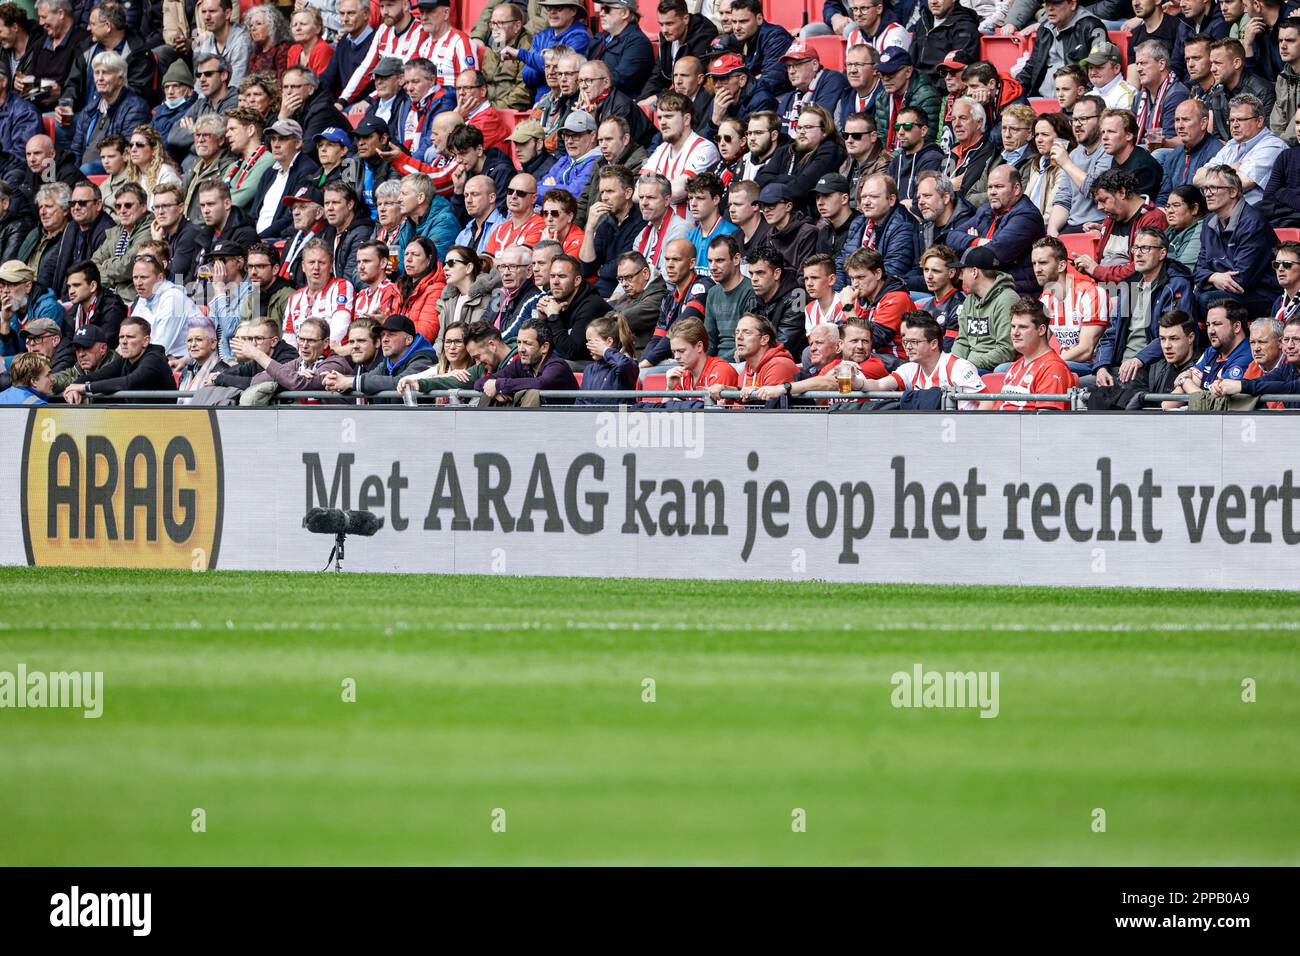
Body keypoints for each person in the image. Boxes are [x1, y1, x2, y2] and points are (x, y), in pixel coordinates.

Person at [1092, 227, 1197, 386]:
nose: (1138, 253)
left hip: (1152, 366)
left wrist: (1139, 359)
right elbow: (1111, 334)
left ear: (1162, 253)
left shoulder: (1175, 286)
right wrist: (1101, 367)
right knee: (1078, 385)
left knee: (1103, 395)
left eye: (1146, 248)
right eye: (1135, 248)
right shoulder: (1129, 287)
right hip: (1120, 367)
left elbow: (1174, 334)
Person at [1193, 164, 1279, 314]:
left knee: (1205, 300)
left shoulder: (1253, 223)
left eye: (1214, 188)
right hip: (1220, 289)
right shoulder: (1209, 222)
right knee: (1182, 298)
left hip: (1260, 294)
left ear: (1232, 192)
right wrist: (1214, 277)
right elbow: (1198, 269)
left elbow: (1240, 280)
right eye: (1205, 189)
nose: (1207, 194)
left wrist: (1208, 278)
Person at [855, 311, 986, 406]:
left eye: (914, 342)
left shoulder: (958, 367)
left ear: (933, 344)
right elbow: (879, 384)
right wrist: (855, 382)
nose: (908, 347)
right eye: (906, 342)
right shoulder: (909, 368)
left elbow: (987, 402)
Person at [1072, 169, 1170, 285]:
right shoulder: (1111, 218)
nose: (1099, 207)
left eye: (1103, 200)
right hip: (1106, 288)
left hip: (1134, 292)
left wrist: (1096, 270)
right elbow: (1101, 261)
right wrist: (1086, 266)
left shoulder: (1153, 219)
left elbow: (1141, 270)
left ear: (1122, 193)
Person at [1030, 236, 1109, 373]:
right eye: (1034, 263)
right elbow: (1038, 345)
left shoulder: (1091, 293)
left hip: (1090, 366)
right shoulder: (1046, 299)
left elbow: (1086, 350)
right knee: (1004, 369)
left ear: (1061, 265)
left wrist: (1046, 364)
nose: (1037, 269)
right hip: (1060, 363)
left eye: (1043, 263)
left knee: (1045, 370)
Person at [1196, 93, 1287, 205]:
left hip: (1255, 215)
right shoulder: (1232, 144)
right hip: (1224, 213)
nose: (1234, 125)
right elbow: (1197, 178)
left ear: (1259, 121)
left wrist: (1213, 175)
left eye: (1240, 119)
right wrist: (1230, 169)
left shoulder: (1272, 146)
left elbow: (1241, 183)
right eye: (1232, 120)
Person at [61, 314, 176, 403]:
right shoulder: (125, 359)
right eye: (121, 337)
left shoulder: (154, 359)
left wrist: (86, 387)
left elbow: (129, 382)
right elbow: (97, 376)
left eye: (130, 337)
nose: (124, 342)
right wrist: (74, 386)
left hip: (163, 424)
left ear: (146, 341)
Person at [321, 312, 435, 401]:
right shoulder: (388, 362)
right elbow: (369, 377)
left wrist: (350, 382)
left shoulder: (423, 359)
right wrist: (338, 380)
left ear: (408, 340)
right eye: (383, 335)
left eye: (391, 334)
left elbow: (400, 382)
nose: (384, 339)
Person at [69, 50, 150, 174]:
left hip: (112, 171)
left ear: (120, 79)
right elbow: (76, 149)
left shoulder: (135, 107)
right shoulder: (89, 110)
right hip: (84, 172)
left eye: (106, 73)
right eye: (97, 73)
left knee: (86, 169)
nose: (100, 78)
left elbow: (127, 151)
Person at [990, 296, 1073, 410]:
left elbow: (1045, 422)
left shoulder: (1053, 368)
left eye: (1023, 327)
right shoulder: (1015, 366)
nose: (1015, 333)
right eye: (1013, 326)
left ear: (1041, 330)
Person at [476, 314, 578, 405]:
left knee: (533, 393)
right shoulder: (521, 364)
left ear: (544, 347)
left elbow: (541, 383)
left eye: (527, 343)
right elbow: (479, 383)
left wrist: (499, 385)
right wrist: (496, 392)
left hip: (565, 421)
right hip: (539, 420)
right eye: (519, 343)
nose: (521, 349)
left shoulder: (557, 366)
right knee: (488, 394)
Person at [1015, 0, 1108, 99]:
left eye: (1056, 3)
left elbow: (1101, 69)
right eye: (1047, 3)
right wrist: (1013, 89)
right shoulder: (1045, 28)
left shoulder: (1091, 26)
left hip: (1078, 101)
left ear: (1072, 4)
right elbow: (1032, 67)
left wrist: (1083, 99)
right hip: (1041, 98)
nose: (1050, 8)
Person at [1047, 95, 1112, 235]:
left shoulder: (1108, 151)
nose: (1077, 124)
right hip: (1071, 225)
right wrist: (1052, 230)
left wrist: (1066, 164)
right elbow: (1064, 198)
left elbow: (1097, 191)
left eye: (1083, 119)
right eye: (1074, 120)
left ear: (1101, 121)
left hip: (1097, 225)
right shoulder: (1074, 154)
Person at [641, 90, 720, 204]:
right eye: (659, 117)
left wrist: (650, 192)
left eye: (668, 116)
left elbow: (679, 191)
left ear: (686, 119)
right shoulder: (661, 149)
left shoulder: (704, 148)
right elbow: (638, 190)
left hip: (688, 221)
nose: (662, 122)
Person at [952, 245, 1016, 371]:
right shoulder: (969, 299)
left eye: (962, 272)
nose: (960, 277)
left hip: (991, 369)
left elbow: (1006, 350)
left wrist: (966, 365)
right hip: (969, 368)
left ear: (974, 272)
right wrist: (952, 365)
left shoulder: (1007, 299)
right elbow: (962, 341)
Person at [1170, 299, 1253, 396]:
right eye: (1208, 325)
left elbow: (1211, 404)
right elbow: (1169, 403)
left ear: (1236, 327)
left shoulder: (1248, 355)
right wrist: (1187, 383)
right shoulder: (1212, 351)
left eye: (1217, 324)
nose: (1210, 331)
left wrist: (1184, 381)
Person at [641, 0, 718, 105]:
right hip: (672, 96)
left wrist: (657, 98)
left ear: (685, 19)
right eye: (661, 24)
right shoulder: (668, 36)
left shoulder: (703, 37)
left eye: (669, 24)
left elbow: (690, 81)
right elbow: (657, 76)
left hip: (696, 101)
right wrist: (641, 100)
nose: (664, 30)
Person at [167, 52, 238, 157]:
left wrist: (192, 129)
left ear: (224, 75)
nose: (202, 79)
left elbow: (218, 141)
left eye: (208, 74)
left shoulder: (236, 101)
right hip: (192, 168)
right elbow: (173, 136)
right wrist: (203, 143)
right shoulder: (200, 103)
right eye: (199, 75)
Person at [1206, 38, 1274, 139]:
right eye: (1211, 63)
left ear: (1237, 63)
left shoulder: (1262, 91)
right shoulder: (1217, 93)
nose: (1212, 69)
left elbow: (1266, 135)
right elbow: (1218, 136)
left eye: (1218, 63)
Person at [1158, 99, 1221, 205]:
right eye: (1177, 120)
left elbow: (1212, 200)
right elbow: (1164, 196)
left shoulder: (1217, 153)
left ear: (1203, 123)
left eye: (1186, 120)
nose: (1179, 126)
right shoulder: (1173, 156)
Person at [755, 182, 818, 282]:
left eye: (771, 205)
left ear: (788, 206)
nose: (766, 210)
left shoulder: (807, 233)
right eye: (763, 206)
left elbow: (804, 276)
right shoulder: (770, 235)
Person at [944, 96, 996, 209]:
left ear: (979, 123)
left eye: (963, 118)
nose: (956, 124)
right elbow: (933, 186)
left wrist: (942, 187)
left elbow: (964, 193)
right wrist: (950, 185)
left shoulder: (986, 150)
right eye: (953, 119)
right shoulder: (951, 151)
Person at [886, 107, 944, 208]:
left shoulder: (932, 158)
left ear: (923, 130)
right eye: (897, 127)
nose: (900, 132)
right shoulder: (896, 161)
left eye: (907, 126)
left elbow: (921, 204)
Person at [812, 173, 863, 289]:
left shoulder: (861, 227)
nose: (820, 202)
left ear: (844, 198)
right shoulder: (824, 232)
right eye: (817, 197)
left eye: (826, 196)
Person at [664, 315, 738, 394]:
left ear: (699, 346)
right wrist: (670, 389)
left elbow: (719, 406)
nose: (676, 357)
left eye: (681, 351)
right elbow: (666, 406)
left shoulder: (720, 371)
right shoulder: (682, 375)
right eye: (674, 352)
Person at [435, 245, 497, 338]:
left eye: (451, 263)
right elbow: (441, 339)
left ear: (469, 268)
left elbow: (478, 339)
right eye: (445, 264)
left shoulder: (487, 299)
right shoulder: (447, 302)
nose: (445, 268)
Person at [910, 0, 980, 77]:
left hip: (941, 84)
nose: (934, 2)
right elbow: (911, 60)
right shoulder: (922, 21)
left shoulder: (965, 26)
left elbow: (960, 71)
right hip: (918, 82)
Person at [65, 258, 124, 346]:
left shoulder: (112, 309)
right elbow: (66, 346)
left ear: (93, 286)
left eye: (76, 285)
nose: (71, 291)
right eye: (69, 286)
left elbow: (103, 347)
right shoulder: (72, 313)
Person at [915, 170, 977, 251]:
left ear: (945, 198)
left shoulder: (968, 225)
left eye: (927, 196)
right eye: (918, 198)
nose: (920, 202)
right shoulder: (922, 229)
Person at [397, 235, 443, 343]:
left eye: (415, 255)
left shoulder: (437, 290)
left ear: (429, 259)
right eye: (406, 254)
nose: (408, 259)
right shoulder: (399, 288)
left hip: (418, 353)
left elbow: (426, 333)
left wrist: (389, 324)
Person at [194, 0, 251, 87]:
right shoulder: (207, 44)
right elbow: (199, 87)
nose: (206, 17)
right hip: (211, 98)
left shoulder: (241, 42)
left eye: (212, 11)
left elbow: (236, 87)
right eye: (203, 12)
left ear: (227, 14)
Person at [125, 125, 182, 208]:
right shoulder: (134, 175)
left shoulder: (166, 174)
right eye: (131, 145)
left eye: (139, 145)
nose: (133, 149)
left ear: (154, 150)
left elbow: (166, 211)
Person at [176, 318, 229, 399]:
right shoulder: (186, 371)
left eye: (199, 339)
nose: (193, 344)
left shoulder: (223, 372)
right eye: (189, 340)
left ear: (213, 343)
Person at [1270, 16, 1300, 144]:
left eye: (1290, 40)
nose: (1283, 46)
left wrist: (1279, 146)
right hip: (1284, 147)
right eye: (1280, 40)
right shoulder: (1282, 78)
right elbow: (1276, 123)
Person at [1164, 184, 1207, 269]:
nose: (1169, 211)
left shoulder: (1200, 231)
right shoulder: (1170, 230)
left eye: (1176, 205)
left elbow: (1184, 271)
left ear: (1194, 209)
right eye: (1168, 206)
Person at [245, 5, 293, 80]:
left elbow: (283, 81)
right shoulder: (255, 53)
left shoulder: (282, 49)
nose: (253, 28)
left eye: (258, 24)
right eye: (251, 25)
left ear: (272, 26)